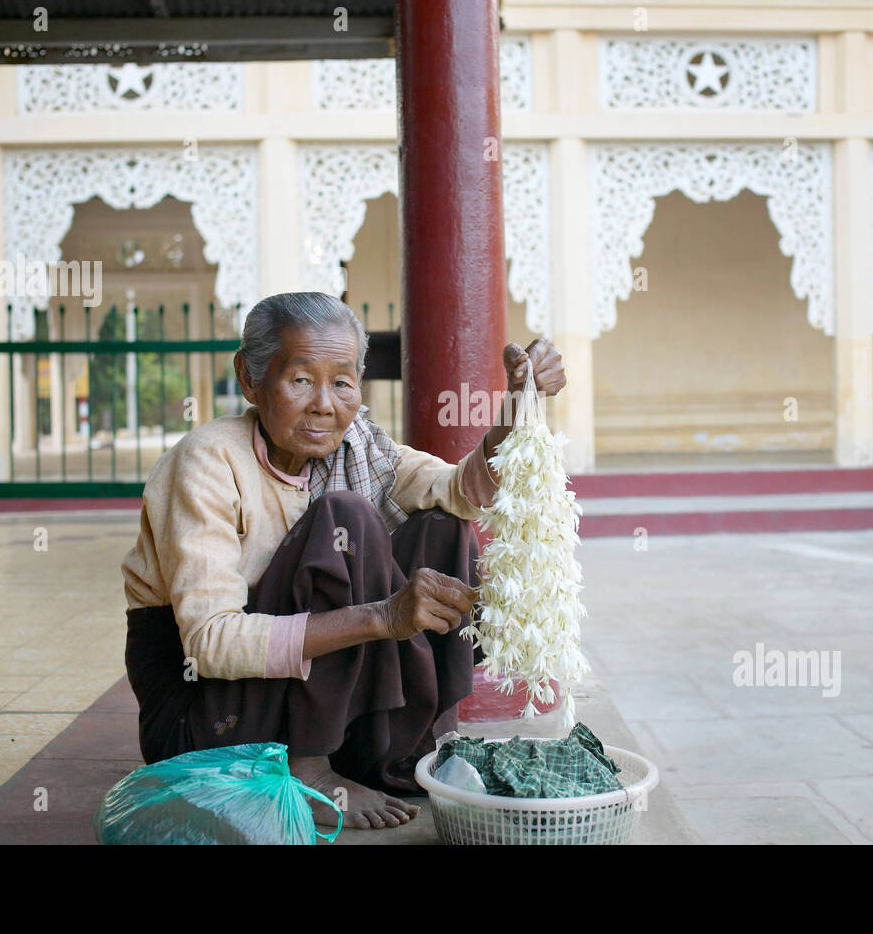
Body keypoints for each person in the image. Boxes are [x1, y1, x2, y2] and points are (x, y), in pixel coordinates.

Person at [121, 291, 567, 830]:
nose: (324, 404)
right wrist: (381, 616)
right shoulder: (208, 461)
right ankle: (308, 765)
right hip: (206, 721)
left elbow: (460, 489)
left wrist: (518, 411)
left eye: (341, 382)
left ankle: (412, 748)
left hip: (294, 709)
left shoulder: (358, 448)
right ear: (249, 378)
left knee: (441, 524)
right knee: (346, 520)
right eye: (301, 379)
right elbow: (210, 644)